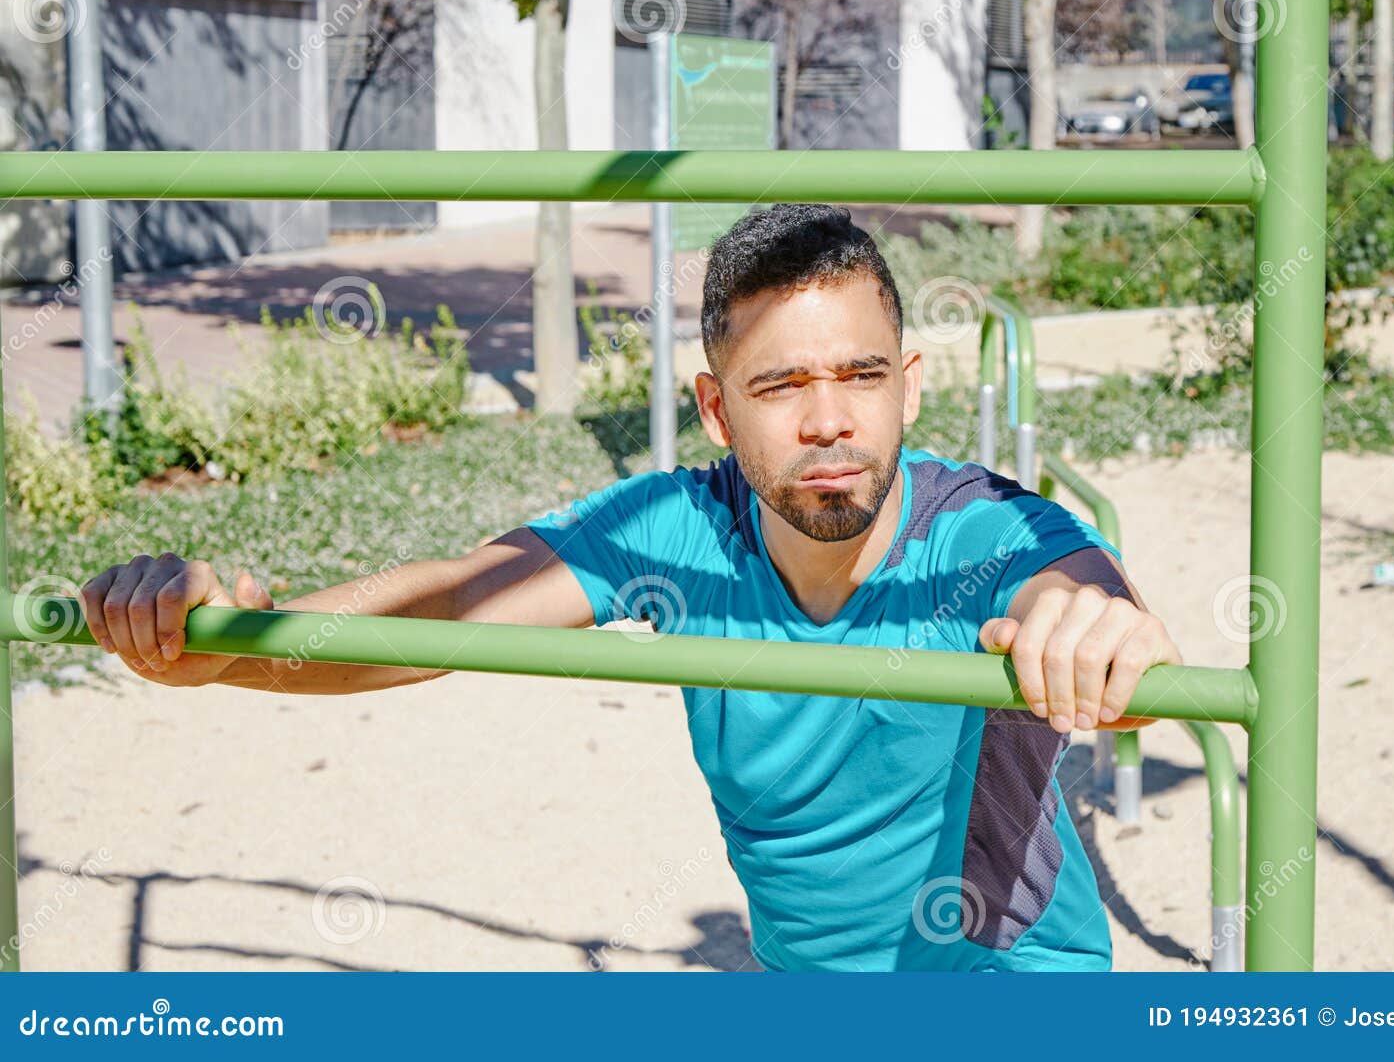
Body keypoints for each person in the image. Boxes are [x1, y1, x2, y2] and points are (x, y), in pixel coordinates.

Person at [80, 203, 1183, 971]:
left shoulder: (989, 530)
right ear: (716, 410)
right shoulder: (679, 527)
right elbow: (457, 607)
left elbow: (1092, 607)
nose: (830, 419)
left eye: (859, 375)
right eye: (782, 384)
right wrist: (229, 646)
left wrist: (1097, 631)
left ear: (908, 385)